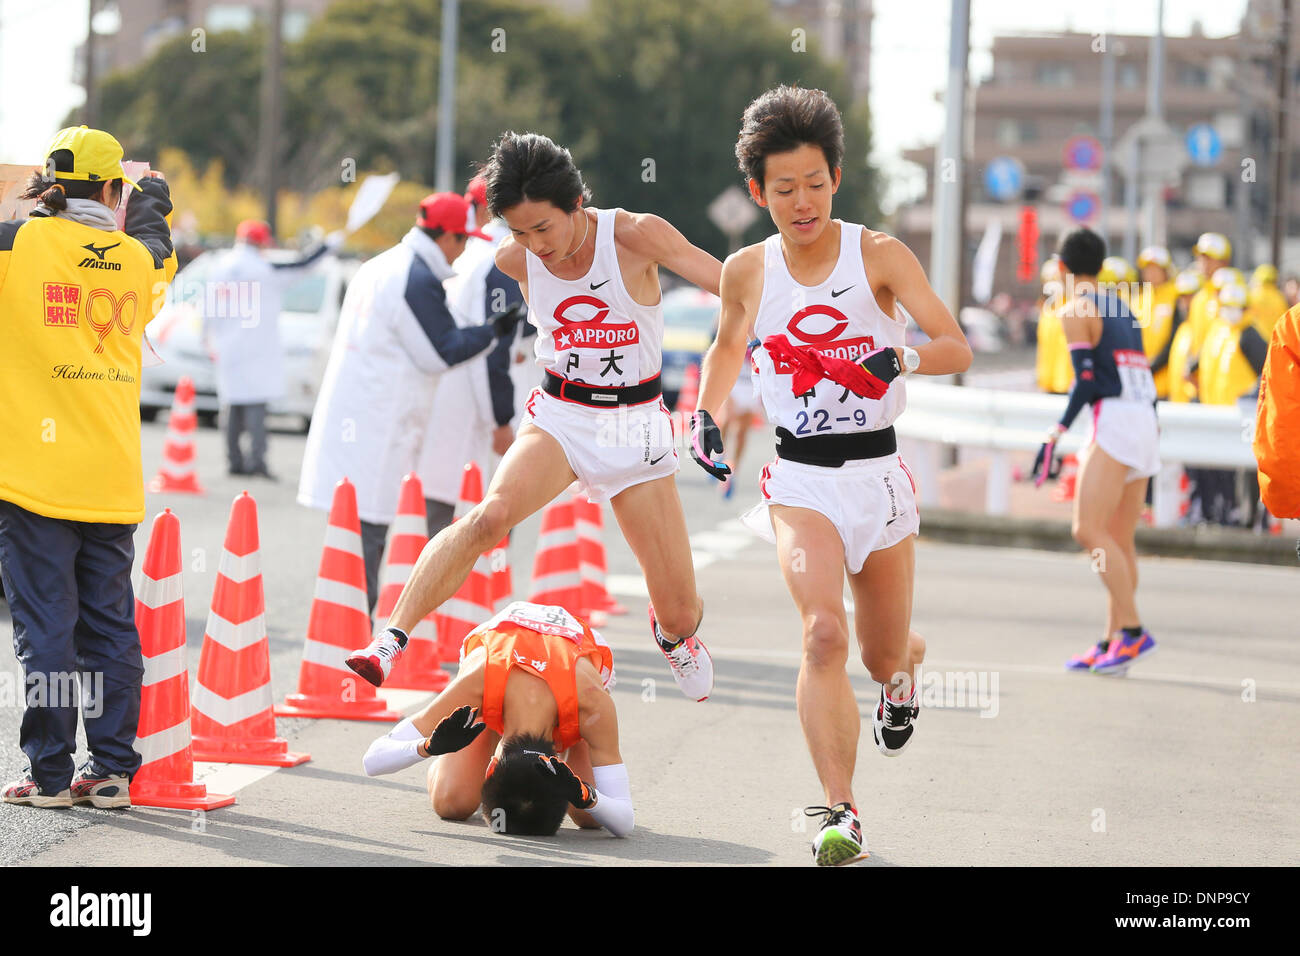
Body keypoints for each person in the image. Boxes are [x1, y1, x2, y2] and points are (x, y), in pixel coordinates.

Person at [689, 86, 971, 866]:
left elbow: (955, 346)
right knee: (821, 635)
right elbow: (724, 348)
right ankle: (840, 812)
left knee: (879, 656)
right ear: (758, 192)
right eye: (785, 189)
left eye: (815, 183)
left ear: (835, 178)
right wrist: (703, 415)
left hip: (877, 479)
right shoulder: (746, 270)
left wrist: (903, 356)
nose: (802, 201)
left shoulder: (877, 254)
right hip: (800, 481)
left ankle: (904, 670)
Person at [346, 132, 722, 701]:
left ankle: (674, 636)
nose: (533, 245)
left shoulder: (636, 236)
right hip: (559, 415)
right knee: (488, 518)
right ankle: (389, 641)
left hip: (633, 421)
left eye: (543, 228)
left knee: (679, 609)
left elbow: (732, 287)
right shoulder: (512, 259)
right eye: (518, 231)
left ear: (576, 204)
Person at [0, 126, 176, 809]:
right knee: (108, 627)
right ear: (113, 192)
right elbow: (162, 251)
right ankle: (110, 772)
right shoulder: (137, 261)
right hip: (110, 478)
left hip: (34, 478)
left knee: (46, 630)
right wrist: (152, 199)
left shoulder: (19, 247)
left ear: (51, 191)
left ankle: (48, 776)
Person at [297, 192, 521, 614]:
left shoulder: (384, 265)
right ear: (448, 238)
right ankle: (352, 628)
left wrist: (482, 331)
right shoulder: (414, 278)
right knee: (367, 530)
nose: (463, 251)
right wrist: (492, 332)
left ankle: (346, 625)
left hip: (363, 412)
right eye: (462, 240)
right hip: (378, 420)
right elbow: (440, 351)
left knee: (354, 529)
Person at [361, 601, 632, 837]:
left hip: (560, 670)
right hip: (503, 667)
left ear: (491, 768)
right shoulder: (478, 680)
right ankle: (478, 732)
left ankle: (474, 746)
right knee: (452, 802)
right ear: (490, 768)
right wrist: (427, 746)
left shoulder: (592, 701)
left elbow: (624, 819)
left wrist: (587, 797)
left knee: (590, 817)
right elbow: (372, 759)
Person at [1033, 228, 1160, 677]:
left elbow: (1085, 381)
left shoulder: (1074, 309)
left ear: (1063, 268)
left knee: (1088, 530)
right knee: (1118, 539)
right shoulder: (1122, 306)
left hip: (1117, 423)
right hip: (1144, 420)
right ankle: (1113, 642)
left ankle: (1132, 632)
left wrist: (1058, 429)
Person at [417, 175, 524, 536]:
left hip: (438, 399)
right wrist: (501, 419)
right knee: (484, 518)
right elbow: (494, 349)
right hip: (474, 408)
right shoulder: (503, 259)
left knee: (435, 513)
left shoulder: (456, 256)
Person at [204, 218, 342, 479]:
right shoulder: (264, 269)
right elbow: (302, 266)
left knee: (232, 403)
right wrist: (327, 246)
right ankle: (257, 461)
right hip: (256, 348)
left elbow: (206, 309)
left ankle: (234, 461)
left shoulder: (220, 267)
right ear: (261, 243)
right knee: (255, 404)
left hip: (228, 347)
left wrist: (206, 339)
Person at [715, 337, 764, 499]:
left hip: (752, 384)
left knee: (742, 433)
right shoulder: (740, 320)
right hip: (735, 380)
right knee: (727, 420)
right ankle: (720, 453)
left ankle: (733, 471)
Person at [1133, 246, 1179, 400]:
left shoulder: (1176, 297)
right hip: (1139, 382)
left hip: (1164, 383)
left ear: (1166, 271)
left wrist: (1152, 367)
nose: (1150, 274)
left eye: (1155, 269)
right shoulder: (1139, 300)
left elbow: (1173, 339)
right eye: (1147, 269)